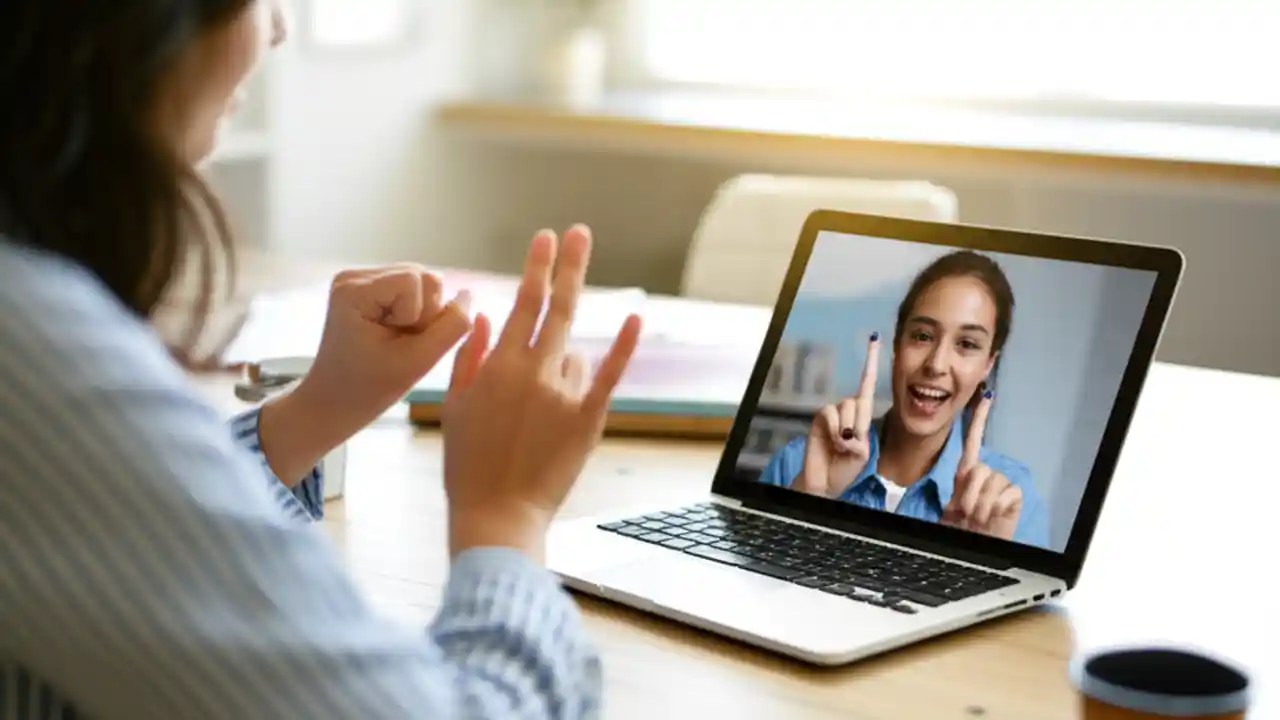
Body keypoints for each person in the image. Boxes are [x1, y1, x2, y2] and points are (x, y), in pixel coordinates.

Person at [0, 1, 640, 717]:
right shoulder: (30, 345)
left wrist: (311, 414)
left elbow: (109, 541)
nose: (276, 30)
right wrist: (507, 516)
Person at [758, 251, 1049, 548]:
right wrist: (814, 496)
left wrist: (982, 560)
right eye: (923, 336)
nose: (936, 365)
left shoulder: (1009, 498)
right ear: (897, 342)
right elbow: (746, 585)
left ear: (988, 364)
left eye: (966, 344)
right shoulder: (798, 462)